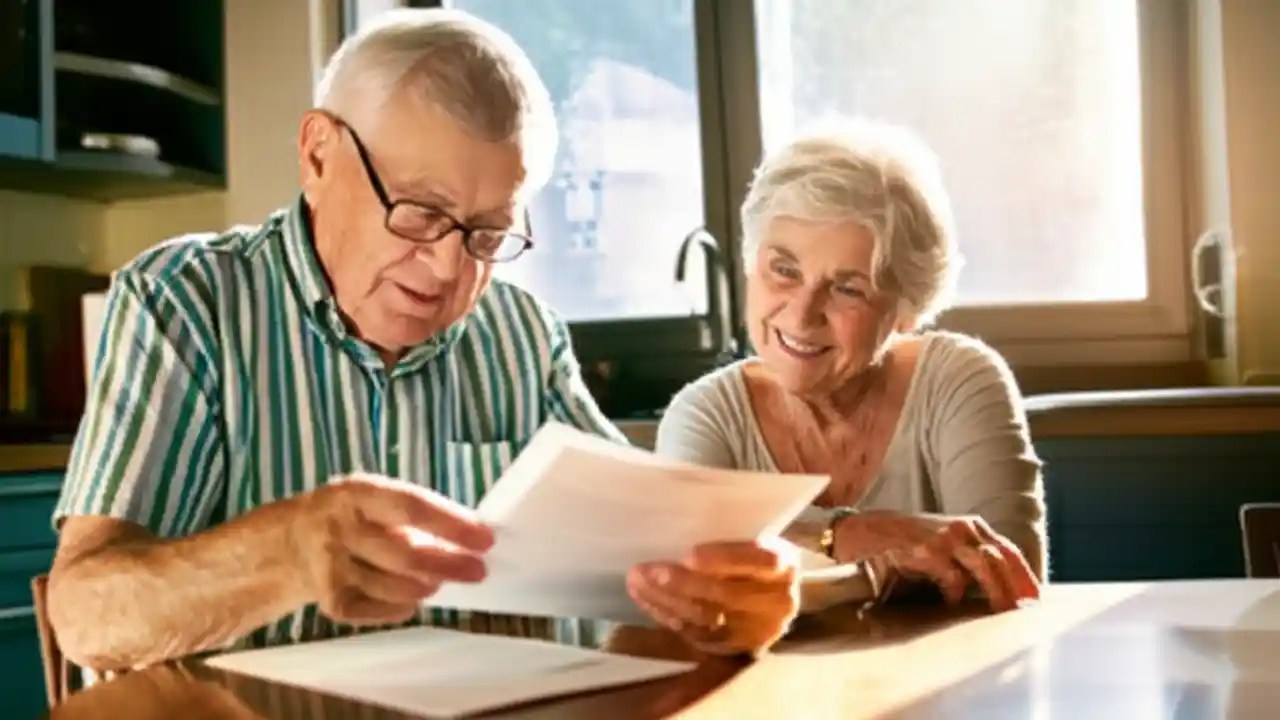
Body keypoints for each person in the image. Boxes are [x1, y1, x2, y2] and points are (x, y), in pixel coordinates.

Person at [47, 8, 796, 672]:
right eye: (420, 212)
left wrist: (724, 601)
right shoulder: (187, 302)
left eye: (487, 233)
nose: (445, 268)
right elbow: (84, 618)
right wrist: (283, 553)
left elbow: (651, 566)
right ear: (317, 155)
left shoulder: (521, 334)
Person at [632, 118, 1046, 647]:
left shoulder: (960, 379)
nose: (803, 314)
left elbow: (1008, 581)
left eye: (848, 288)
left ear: (907, 311)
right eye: (784, 270)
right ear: (751, 265)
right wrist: (850, 535)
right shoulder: (704, 413)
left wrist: (800, 557)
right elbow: (692, 587)